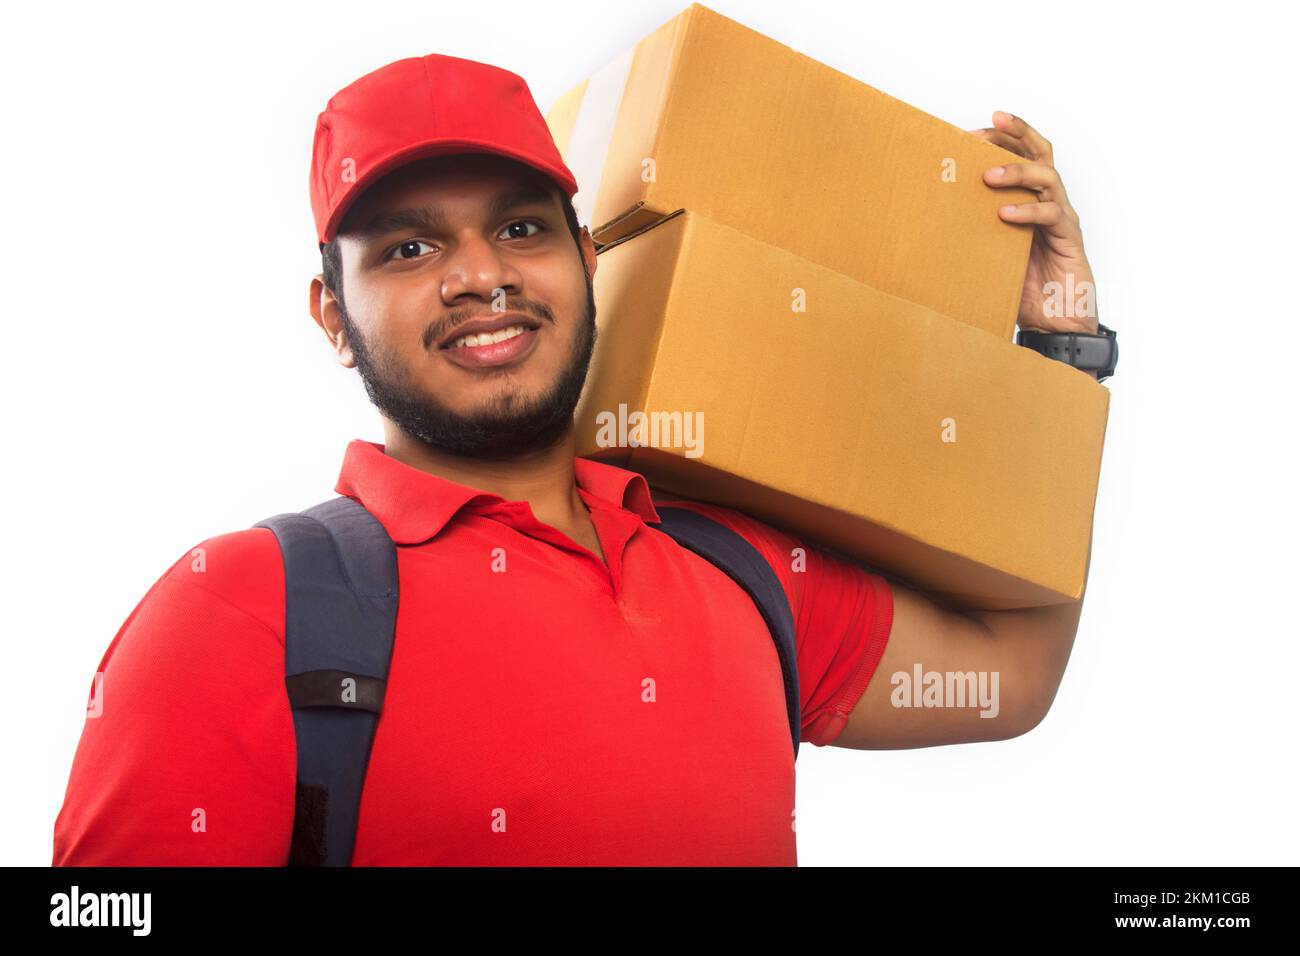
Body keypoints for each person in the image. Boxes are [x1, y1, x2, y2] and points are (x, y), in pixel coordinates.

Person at [52, 53, 1094, 866]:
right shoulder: (241, 611)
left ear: (587, 259)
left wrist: (1063, 349)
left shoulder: (742, 567)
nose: (479, 275)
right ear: (333, 314)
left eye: (518, 227)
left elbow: (1013, 669)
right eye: (408, 248)